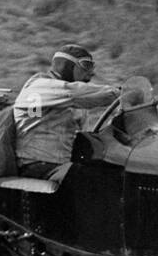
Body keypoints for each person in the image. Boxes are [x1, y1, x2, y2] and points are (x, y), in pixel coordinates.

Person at [12, 43, 122, 179]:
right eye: (86, 65)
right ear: (67, 66)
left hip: (55, 165)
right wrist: (123, 92)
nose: (91, 72)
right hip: (34, 164)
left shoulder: (65, 99)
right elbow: (87, 93)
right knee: (98, 179)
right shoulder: (43, 86)